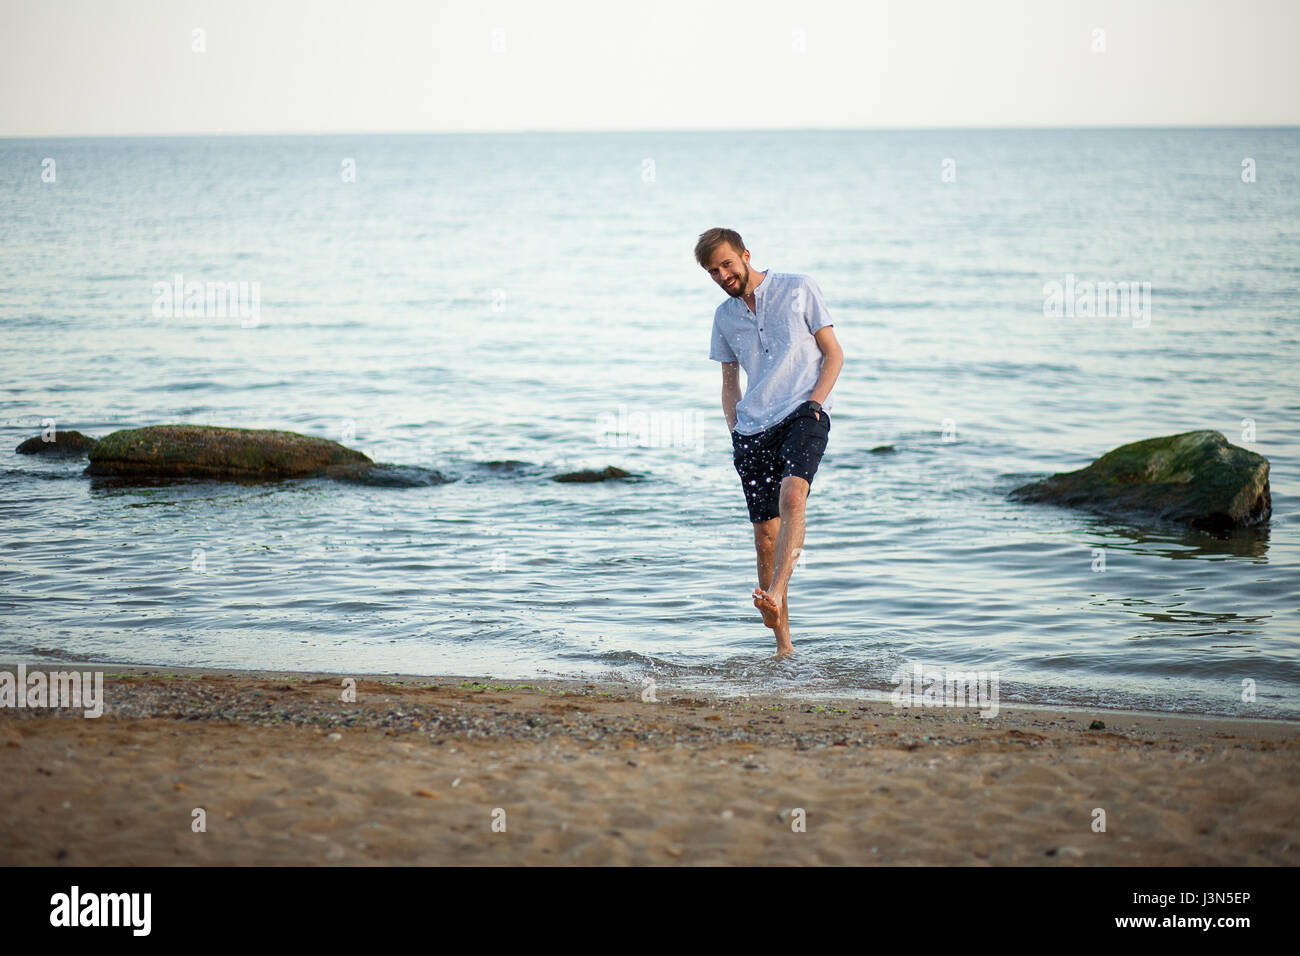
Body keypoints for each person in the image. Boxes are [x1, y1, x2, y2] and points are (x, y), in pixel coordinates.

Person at [696, 227, 844, 657]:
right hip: (752, 429)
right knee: (765, 537)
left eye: (727, 264)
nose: (723, 275)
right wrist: (735, 430)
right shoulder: (724, 317)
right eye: (713, 271)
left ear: (745, 254)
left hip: (804, 412)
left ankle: (775, 592)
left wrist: (815, 405)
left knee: (793, 498)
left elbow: (834, 353)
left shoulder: (798, 289)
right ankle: (784, 647)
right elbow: (729, 384)